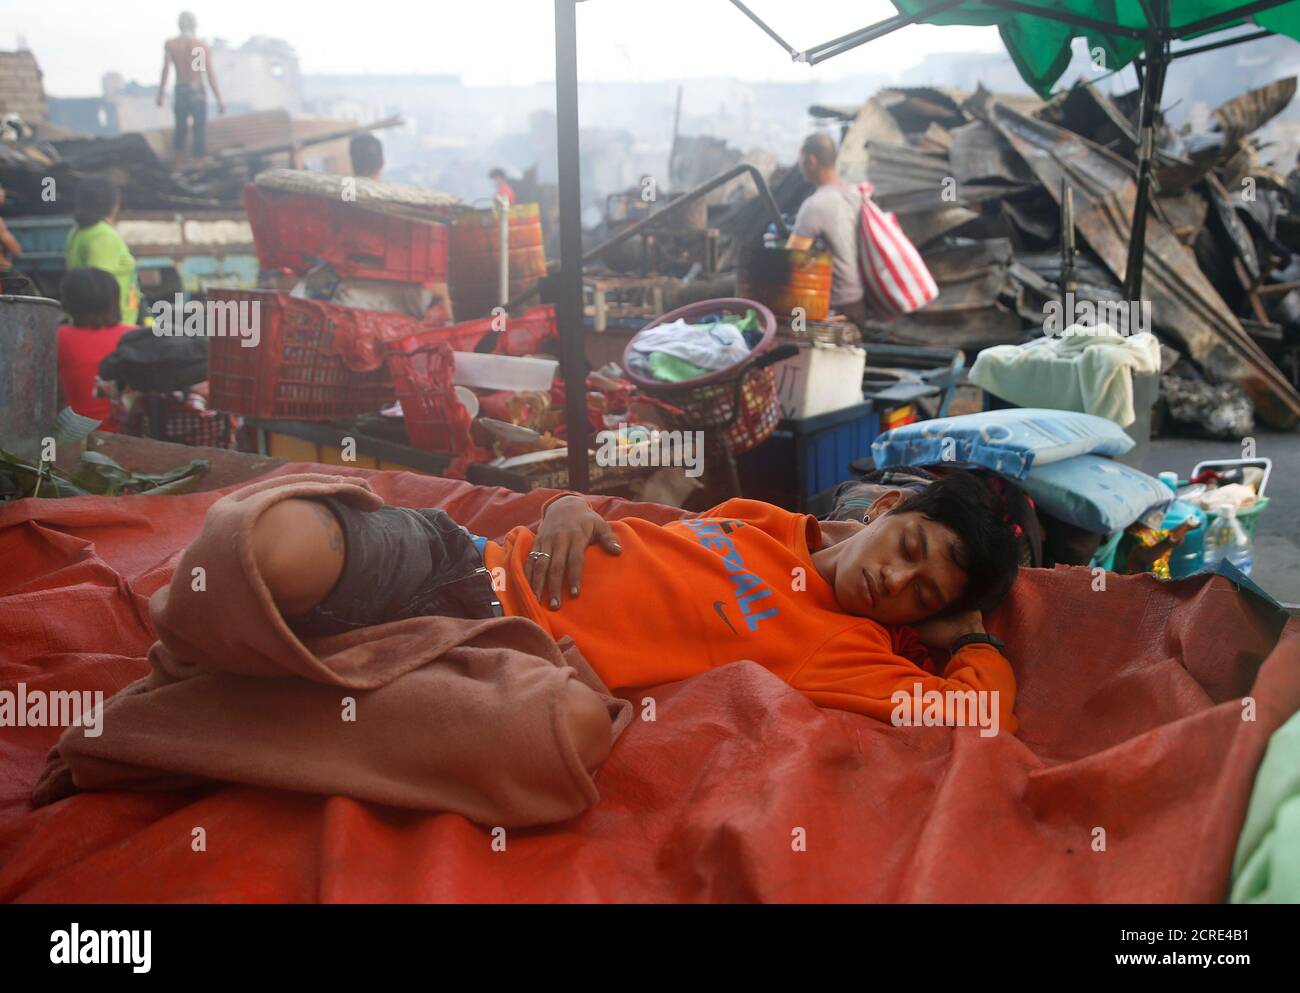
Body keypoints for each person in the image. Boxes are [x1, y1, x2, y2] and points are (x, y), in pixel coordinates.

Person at [238, 469, 1021, 770]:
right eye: (910, 546)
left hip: (504, 657)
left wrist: (972, 634)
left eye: (924, 594)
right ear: (886, 509)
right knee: (277, 544)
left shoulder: (847, 649)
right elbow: (642, 541)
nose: (895, 578)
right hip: (472, 562)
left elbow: (976, 711)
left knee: (552, 736)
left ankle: (286, 668)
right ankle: (257, 624)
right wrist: (566, 506)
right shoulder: (762, 518)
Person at [785, 132, 867, 325]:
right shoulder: (855, 193)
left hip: (834, 305)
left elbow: (793, 257)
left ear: (811, 160)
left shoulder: (815, 205)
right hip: (858, 300)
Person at [56, 267, 135, 429]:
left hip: (74, 435)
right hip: (126, 434)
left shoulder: (57, 337)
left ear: (68, 303)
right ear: (115, 299)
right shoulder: (134, 336)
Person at [65, 177, 141, 327]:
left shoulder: (76, 231)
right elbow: (99, 290)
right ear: (114, 203)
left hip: (99, 326)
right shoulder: (102, 235)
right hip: (108, 328)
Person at [157, 11, 225, 161]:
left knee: (180, 127)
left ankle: (178, 162)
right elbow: (205, 73)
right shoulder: (199, 46)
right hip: (196, 90)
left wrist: (161, 93)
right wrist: (219, 99)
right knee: (199, 128)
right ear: (194, 25)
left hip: (181, 89)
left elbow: (166, 69)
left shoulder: (172, 44)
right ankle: (198, 162)